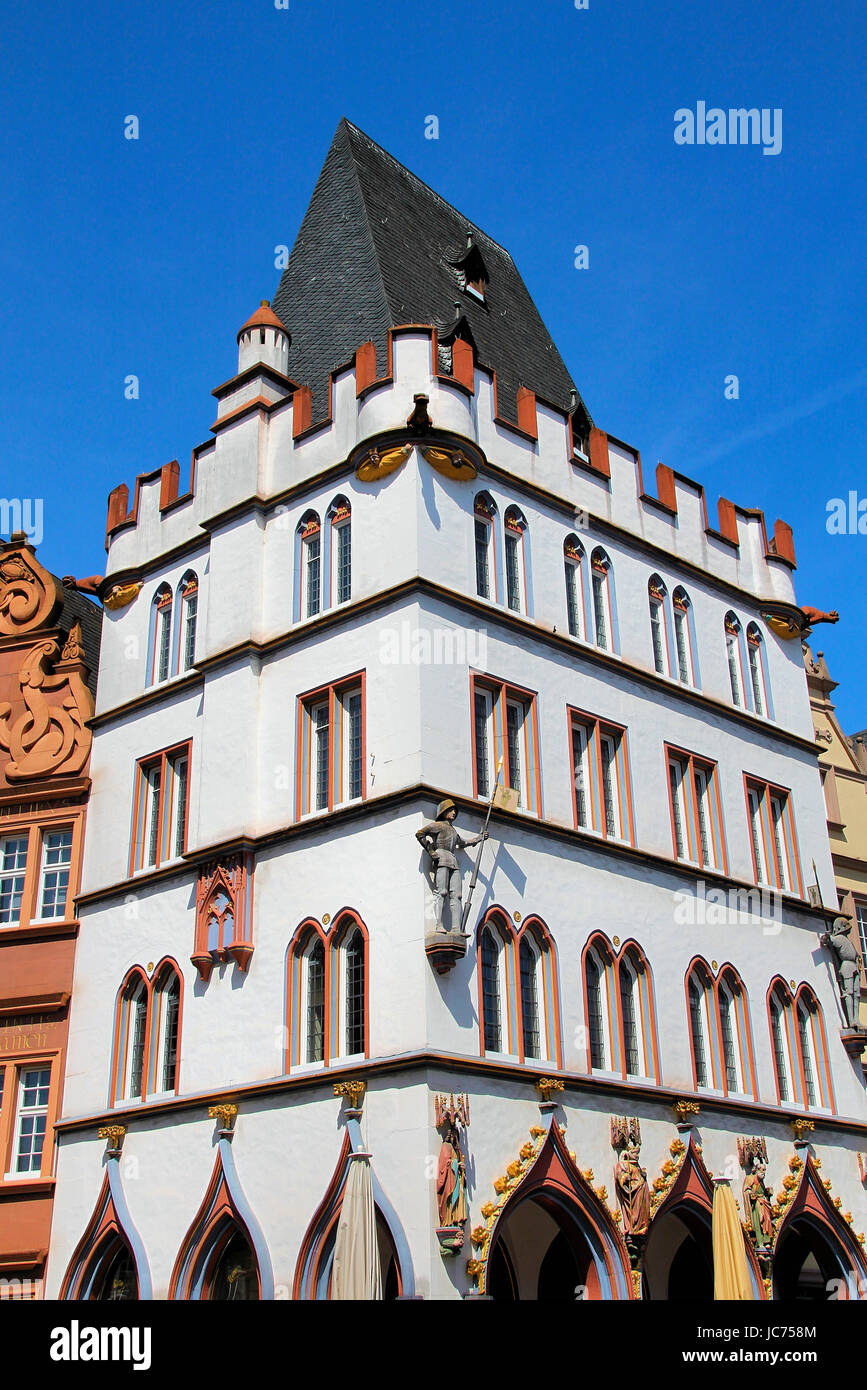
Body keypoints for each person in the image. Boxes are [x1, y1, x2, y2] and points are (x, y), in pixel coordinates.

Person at [416, 799, 487, 932]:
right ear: (444, 812)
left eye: (454, 811)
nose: (454, 813)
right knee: (442, 892)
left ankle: (456, 928)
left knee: (457, 895)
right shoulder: (438, 825)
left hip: (453, 860)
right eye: (450, 810)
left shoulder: (453, 830)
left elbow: (462, 843)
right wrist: (431, 851)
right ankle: (439, 925)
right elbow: (420, 834)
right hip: (442, 857)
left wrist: (479, 838)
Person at [613, 1144, 650, 1237]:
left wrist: (643, 1174)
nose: (637, 1155)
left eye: (637, 1153)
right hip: (635, 1190)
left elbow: (639, 1174)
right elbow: (620, 1175)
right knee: (636, 1208)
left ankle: (642, 1225)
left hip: (642, 1188)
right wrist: (625, 1178)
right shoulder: (625, 1164)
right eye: (634, 1153)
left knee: (643, 1208)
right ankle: (635, 1226)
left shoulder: (636, 1165)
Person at [436, 1121, 468, 1227]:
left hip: (457, 1180)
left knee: (460, 1195)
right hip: (449, 1180)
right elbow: (444, 1164)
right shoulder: (446, 1146)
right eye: (452, 1136)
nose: (454, 1139)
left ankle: (457, 1218)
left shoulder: (456, 1151)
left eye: (456, 1136)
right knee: (449, 1199)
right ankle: (448, 1219)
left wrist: (462, 1169)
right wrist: (456, 1164)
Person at [742, 1158, 773, 1249]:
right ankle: (760, 1242)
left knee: (766, 1221)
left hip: (764, 1203)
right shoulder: (750, 1178)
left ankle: (766, 1240)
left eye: (764, 1170)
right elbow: (746, 1190)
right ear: (757, 1170)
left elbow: (762, 1192)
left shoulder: (761, 1182)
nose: (764, 1172)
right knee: (760, 1221)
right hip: (758, 1204)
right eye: (762, 1170)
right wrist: (751, 1194)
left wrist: (767, 1192)